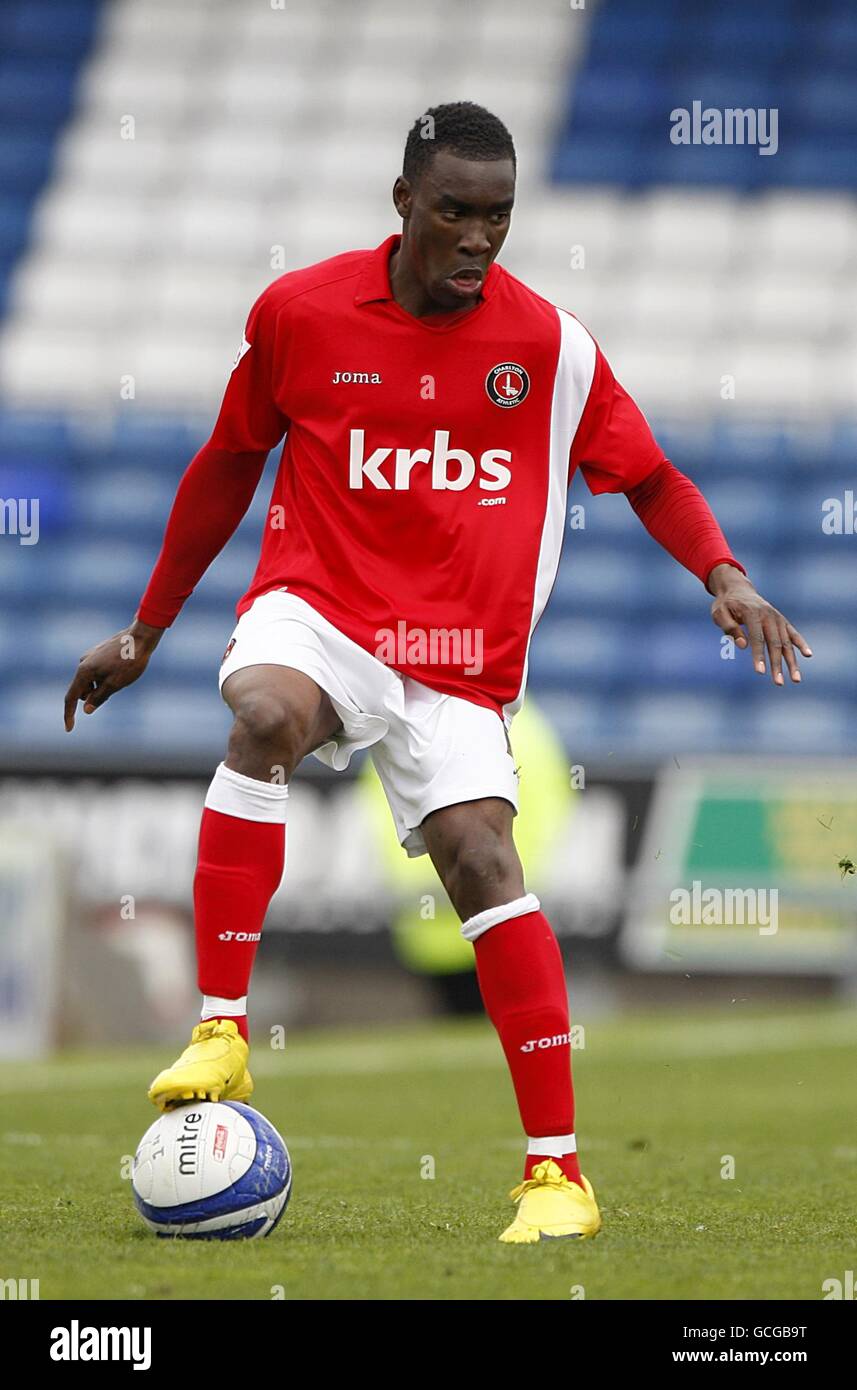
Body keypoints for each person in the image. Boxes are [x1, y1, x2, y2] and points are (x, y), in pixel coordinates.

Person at [64, 102, 811, 1243]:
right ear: (403, 199)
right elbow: (227, 462)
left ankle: (556, 1176)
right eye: (454, 211)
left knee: (481, 857)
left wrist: (725, 574)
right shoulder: (300, 314)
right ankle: (221, 1028)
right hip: (318, 608)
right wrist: (147, 628)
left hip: (457, 656)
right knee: (263, 715)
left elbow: (651, 476)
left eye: (497, 216)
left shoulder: (549, 348)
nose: (476, 237)